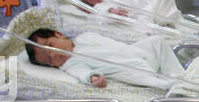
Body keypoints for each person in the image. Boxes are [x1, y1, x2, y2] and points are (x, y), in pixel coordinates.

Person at [25, 27, 187, 90]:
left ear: (59, 34)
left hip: (135, 52)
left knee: (156, 41)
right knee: (137, 75)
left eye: (50, 46)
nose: (53, 55)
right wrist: (93, 78)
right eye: (49, 60)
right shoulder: (70, 63)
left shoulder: (86, 35)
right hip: (128, 68)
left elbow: (113, 44)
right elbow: (80, 72)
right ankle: (170, 86)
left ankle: (179, 77)